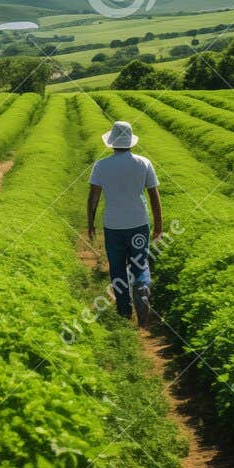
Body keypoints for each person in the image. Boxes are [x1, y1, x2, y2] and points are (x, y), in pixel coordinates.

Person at [86, 120, 162, 325]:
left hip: (113, 226)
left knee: (118, 268)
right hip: (139, 223)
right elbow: (154, 195)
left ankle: (124, 312)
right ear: (131, 142)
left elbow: (93, 196)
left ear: (112, 142)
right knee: (140, 262)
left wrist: (90, 223)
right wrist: (159, 225)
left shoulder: (101, 165)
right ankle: (143, 287)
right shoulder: (143, 163)